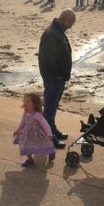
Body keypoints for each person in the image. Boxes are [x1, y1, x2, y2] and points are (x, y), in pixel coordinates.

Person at [38, 9, 76, 149]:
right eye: (70, 24)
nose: (70, 27)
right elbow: (47, 59)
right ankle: (50, 137)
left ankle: (52, 129)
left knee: (53, 107)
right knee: (49, 108)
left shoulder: (58, 32)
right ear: (64, 20)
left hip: (58, 78)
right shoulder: (52, 34)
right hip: (53, 78)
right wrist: (57, 74)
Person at [13, 93, 56, 167]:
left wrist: (49, 134)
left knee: (44, 143)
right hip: (27, 133)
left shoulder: (37, 115)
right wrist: (18, 129)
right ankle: (30, 160)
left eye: (28, 102)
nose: (25, 103)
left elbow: (45, 124)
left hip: (37, 134)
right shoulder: (25, 112)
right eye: (25, 101)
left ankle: (51, 151)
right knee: (25, 146)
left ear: (35, 104)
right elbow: (22, 122)